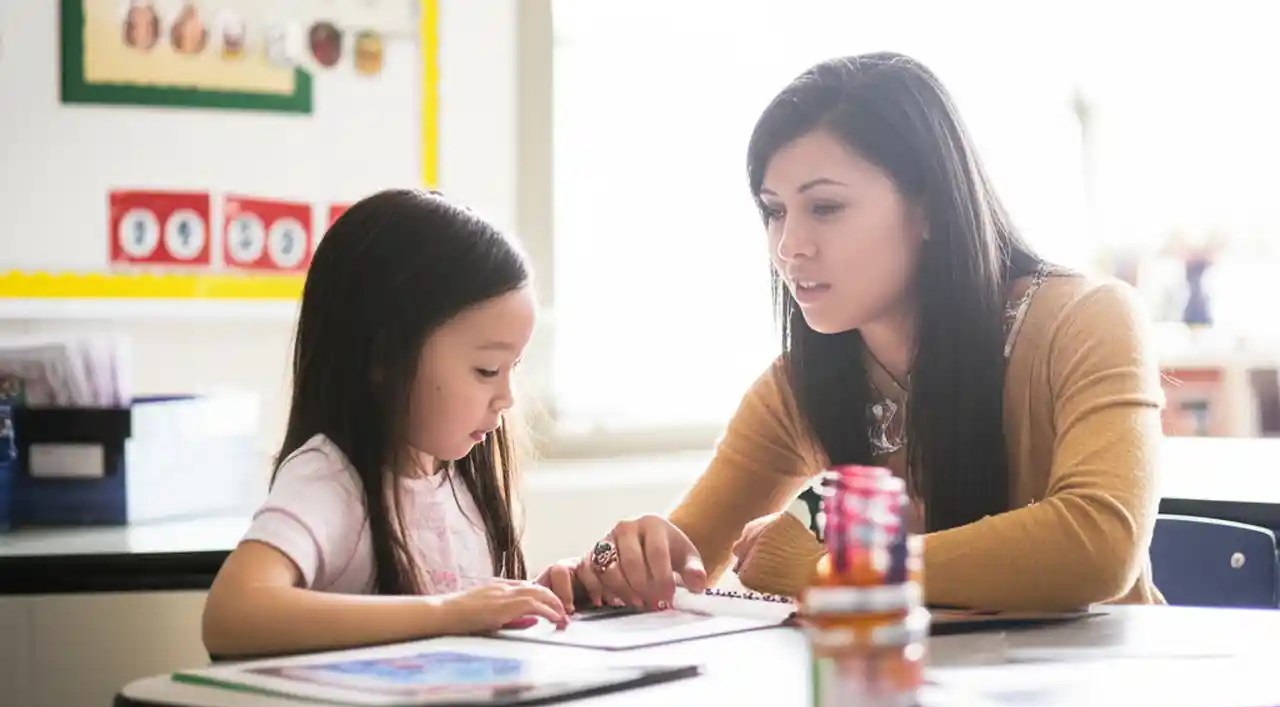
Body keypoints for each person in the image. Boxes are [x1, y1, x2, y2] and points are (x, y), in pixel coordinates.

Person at [540, 52, 1165, 613]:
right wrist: (607, 572)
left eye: (826, 208)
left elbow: (1099, 543)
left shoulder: (1087, 319)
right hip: (905, 691)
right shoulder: (799, 385)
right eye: (774, 210)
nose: (790, 246)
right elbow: (686, 565)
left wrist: (828, 570)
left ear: (928, 207)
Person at [203, 190, 567, 658]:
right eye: (486, 370)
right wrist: (446, 614)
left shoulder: (459, 479)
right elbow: (232, 615)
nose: (507, 398)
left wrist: (534, 598)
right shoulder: (330, 479)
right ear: (384, 357)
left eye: (513, 368)